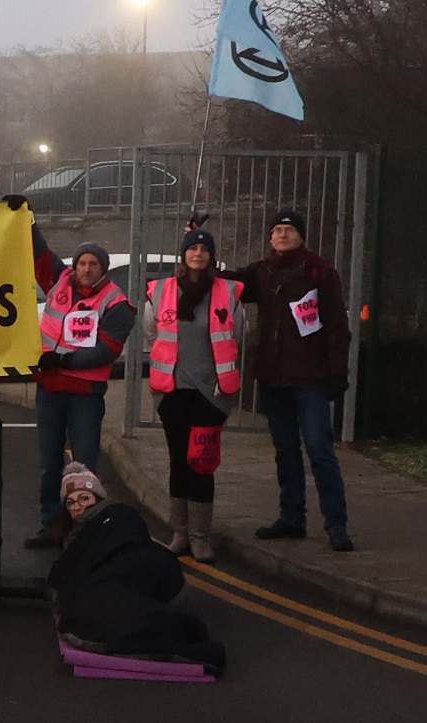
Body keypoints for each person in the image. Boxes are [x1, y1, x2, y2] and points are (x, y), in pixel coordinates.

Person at [223, 210, 354, 551]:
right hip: (272, 377)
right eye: (277, 230)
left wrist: (338, 372)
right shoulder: (261, 272)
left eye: (289, 230)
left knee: (320, 451)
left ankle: (336, 523)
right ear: (270, 238)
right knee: (285, 451)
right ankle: (292, 518)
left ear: (300, 236)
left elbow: (337, 326)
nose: (282, 235)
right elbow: (225, 283)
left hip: (311, 378)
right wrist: (196, 244)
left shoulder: (319, 271)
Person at [19, 203, 137, 550]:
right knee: (48, 466)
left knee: (84, 468)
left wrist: (64, 361)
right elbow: (38, 252)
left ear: (103, 269)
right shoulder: (59, 280)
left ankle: (84, 529)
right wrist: (25, 217)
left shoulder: (117, 303)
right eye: (82, 262)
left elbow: (107, 350)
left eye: (93, 265)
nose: (86, 269)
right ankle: (50, 526)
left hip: (85, 394)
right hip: (50, 391)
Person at [48, 463, 225, 674]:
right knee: (112, 598)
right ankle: (176, 626)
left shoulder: (116, 513)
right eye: (71, 502)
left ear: (97, 497)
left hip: (151, 568)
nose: (78, 506)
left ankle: (175, 628)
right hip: (147, 580)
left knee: (95, 603)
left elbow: (130, 537)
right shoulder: (77, 535)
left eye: (84, 498)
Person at [144, 222, 243, 562]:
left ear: (212, 256)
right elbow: (150, 332)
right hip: (171, 390)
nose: (198, 253)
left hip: (210, 392)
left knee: (201, 463)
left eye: (204, 249)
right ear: (183, 255)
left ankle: (201, 537)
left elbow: (236, 335)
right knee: (177, 460)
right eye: (192, 248)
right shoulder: (161, 291)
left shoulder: (227, 293)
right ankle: (180, 534)